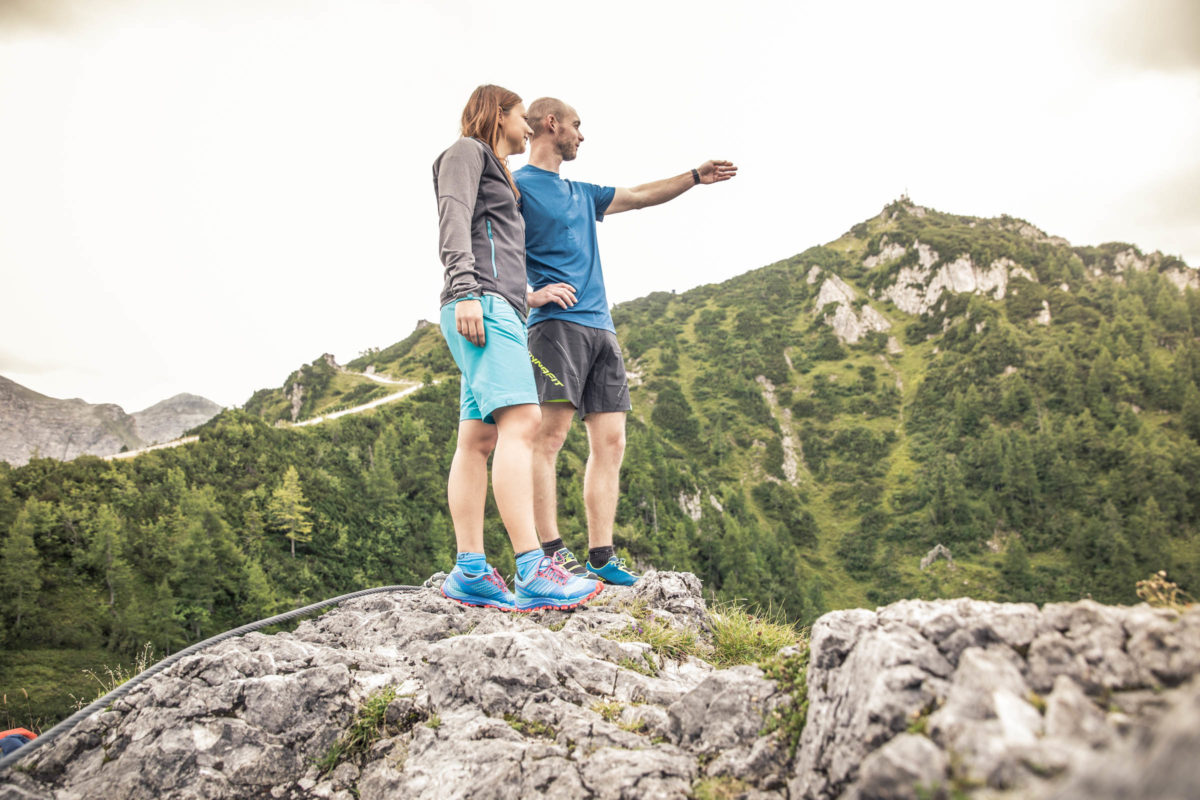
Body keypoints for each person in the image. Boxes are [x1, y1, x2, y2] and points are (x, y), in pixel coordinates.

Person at [515, 97, 737, 586]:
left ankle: (600, 555)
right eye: (576, 125)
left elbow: (638, 195)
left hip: (601, 329)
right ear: (551, 125)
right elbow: (490, 249)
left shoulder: (581, 191)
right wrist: (531, 296)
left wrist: (694, 177)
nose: (581, 134)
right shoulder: (516, 186)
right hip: (556, 329)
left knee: (611, 443)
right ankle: (550, 554)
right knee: (548, 439)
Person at [433, 85, 603, 612]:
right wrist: (464, 289)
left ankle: (471, 572)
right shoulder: (467, 153)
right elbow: (454, 218)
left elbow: (496, 246)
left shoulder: (499, 170)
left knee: (478, 437)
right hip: (479, 306)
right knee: (523, 422)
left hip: (493, 304)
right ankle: (533, 569)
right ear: (498, 113)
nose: (528, 127)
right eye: (519, 117)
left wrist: (525, 295)